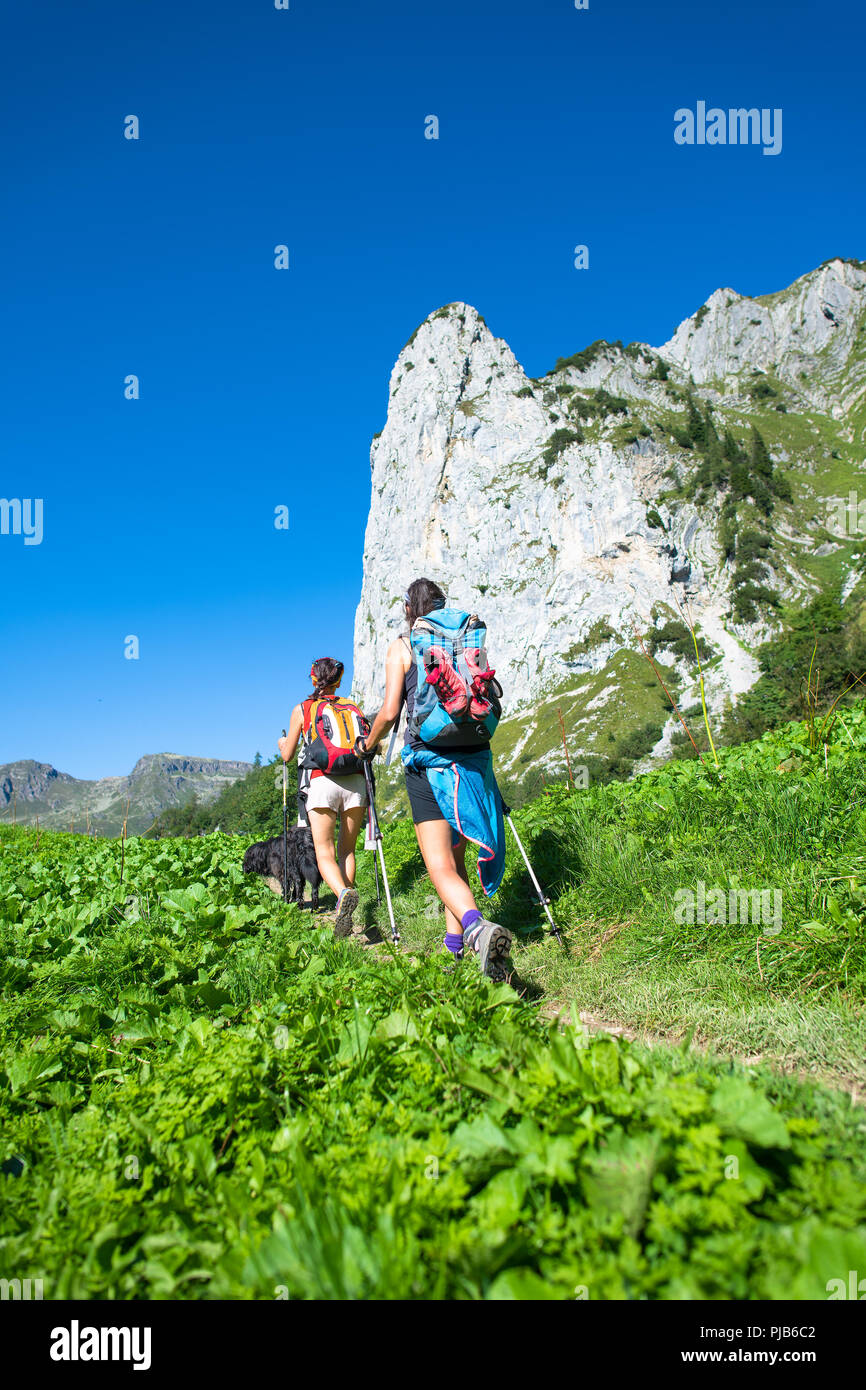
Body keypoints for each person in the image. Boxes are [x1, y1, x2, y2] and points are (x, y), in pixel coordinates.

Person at [359, 578, 513, 980]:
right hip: (474, 758)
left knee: (439, 865)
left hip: (429, 762)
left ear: (410, 610)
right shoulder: (462, 641)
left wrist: (368, 745)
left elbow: (391, 711)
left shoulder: (404, 645)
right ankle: (457, 952)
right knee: (456, 861)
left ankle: (478, 931)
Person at [278, 657, 367, 938]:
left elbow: (287, 755)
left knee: (324, 852)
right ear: (339, 680)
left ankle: (342, 896)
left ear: (313, 679)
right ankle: (346, 901)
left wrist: (281, 742)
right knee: (347, 851)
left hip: (321, 782)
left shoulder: (303, 709)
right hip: (355, 781)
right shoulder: (353, 707)